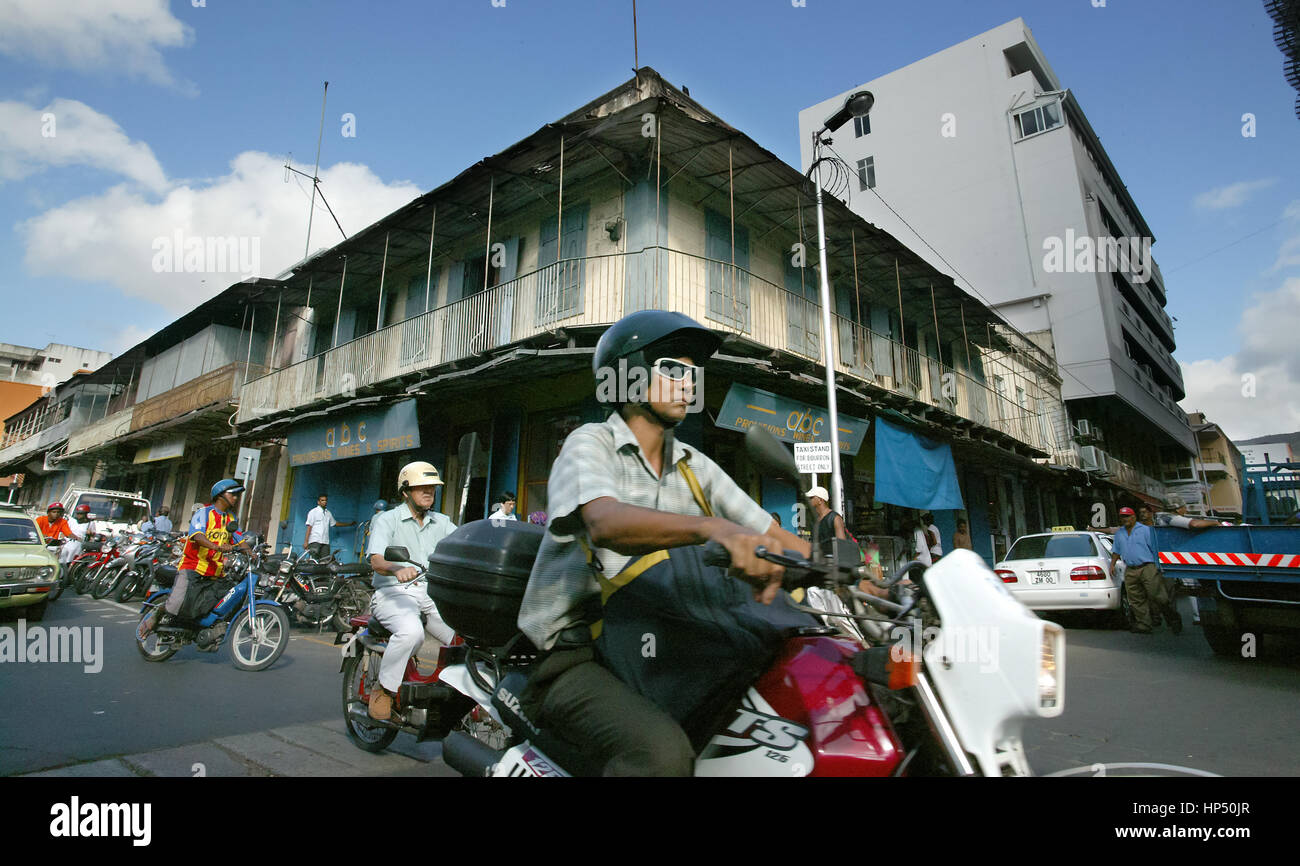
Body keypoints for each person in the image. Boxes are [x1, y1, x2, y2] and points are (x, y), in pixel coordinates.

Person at [516, 310, 811, 776]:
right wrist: (711, 528)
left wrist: (864, 577)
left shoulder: (697, 466)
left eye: (693, 372)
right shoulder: (589, 443)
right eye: (672, 369)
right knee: (663, 758)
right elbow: (603, 522)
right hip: (577, 658)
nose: (687, 382)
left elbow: (772, 535)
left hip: (662, 645)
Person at [365, 462, 458, 721]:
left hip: (431, 595)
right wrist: (396, 569)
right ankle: (383, 689)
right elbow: (376, 561)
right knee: (411, 632)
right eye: (421, 487)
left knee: (464, 637)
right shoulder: (387, 519)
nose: (428, 492)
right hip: (393, 593)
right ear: (405, 491)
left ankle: (461, 695)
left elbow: (463, 545)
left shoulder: (442, 522)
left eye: (432, 487)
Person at [146, 479, 252, 632]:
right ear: (220, 495)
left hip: (216, 570)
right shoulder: (203, 513)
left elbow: (240, 540)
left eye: (237, 495)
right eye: (232, 494)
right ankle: (158, 613)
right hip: (192, 566)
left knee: (221, 601)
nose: (236, 498)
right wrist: (217, 547)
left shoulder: (231, 519)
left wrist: (252, 554)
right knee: (176, 604)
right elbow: (197, 536)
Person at [1110, 506, 1176, 634]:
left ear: (1134, 517)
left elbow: (1154, 548)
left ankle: (1171, 615)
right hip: (1130, 568)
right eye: (1122, 517)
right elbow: (1116, 550)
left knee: (1156, 595)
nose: (1125, 519)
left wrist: (1160, 565)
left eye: (1127, 516)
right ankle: (1144, 624)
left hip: (1147, 566)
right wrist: (1112, 564)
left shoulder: (1145, 530)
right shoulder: (1120, 533)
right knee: (1135, 598)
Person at [304, 494, 354, 559]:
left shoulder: (328, 513)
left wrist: (349, 524)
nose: (324, 502)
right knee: (314, 560)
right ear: (318, 502)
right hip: (315, 540)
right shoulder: (313, 512)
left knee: (325, 561)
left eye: (325, 500)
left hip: (325, 541)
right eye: (322, 500)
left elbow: (335, 523)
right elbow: (309, 527)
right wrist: (306, 541)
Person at [806, 485, 849, 558]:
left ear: (820, 500)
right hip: (818, 562)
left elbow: (842, 545)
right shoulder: (815, 520)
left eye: (811, 498)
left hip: (832, 564)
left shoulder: (835, 518)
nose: (809, 500)